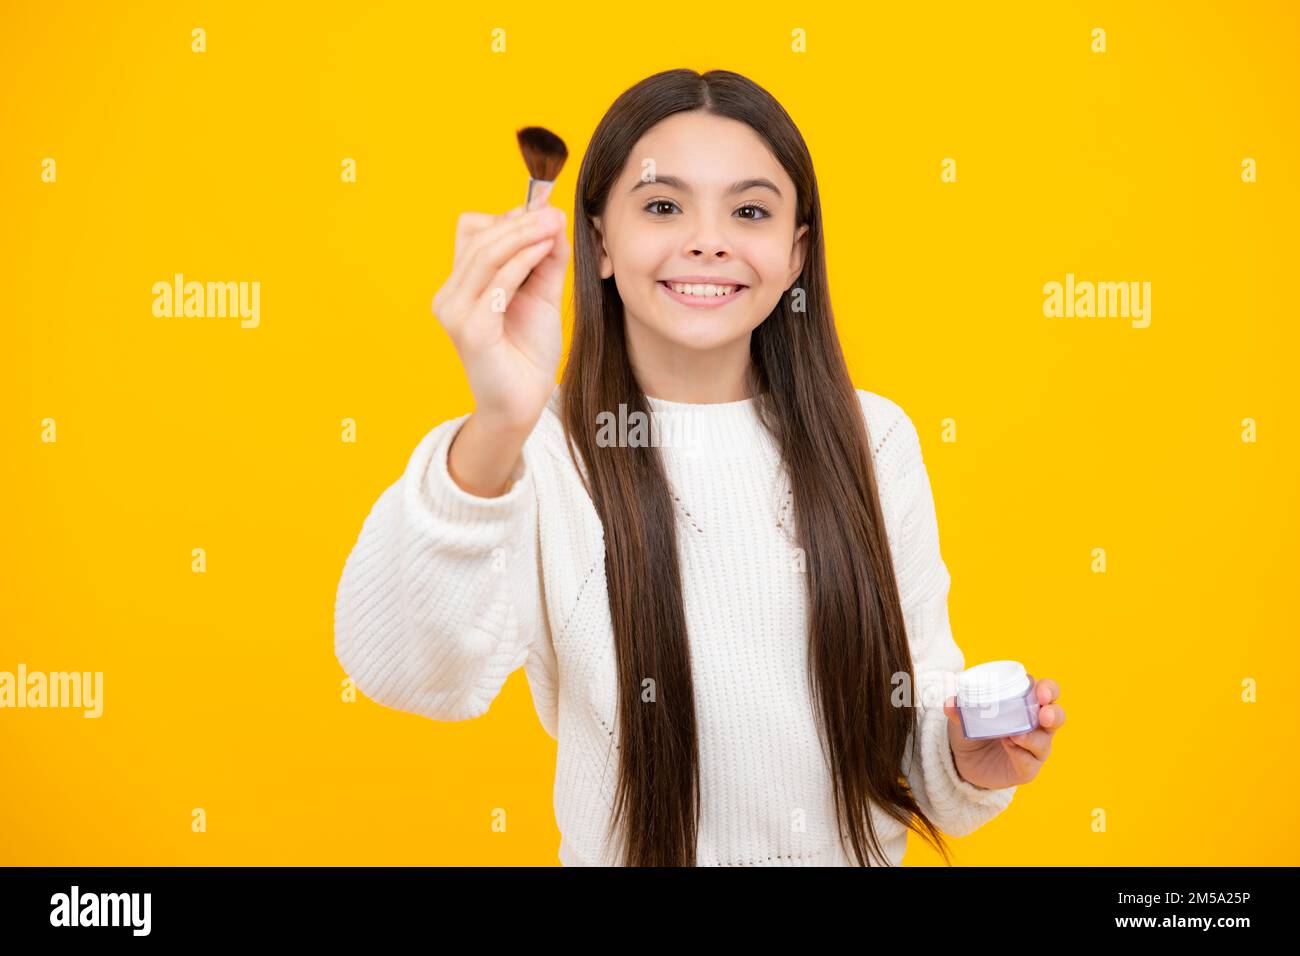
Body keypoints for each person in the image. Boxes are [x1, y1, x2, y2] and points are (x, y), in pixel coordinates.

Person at [334, 68, 1065, 867]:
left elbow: (909, 713)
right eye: (661, 206)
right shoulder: (532, 454)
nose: (708, 239)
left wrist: (963, 757)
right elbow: (408, 673)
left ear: (795, 254)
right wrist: (502, 419)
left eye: (749, 210)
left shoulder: (873, 438)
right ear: (600, 242)